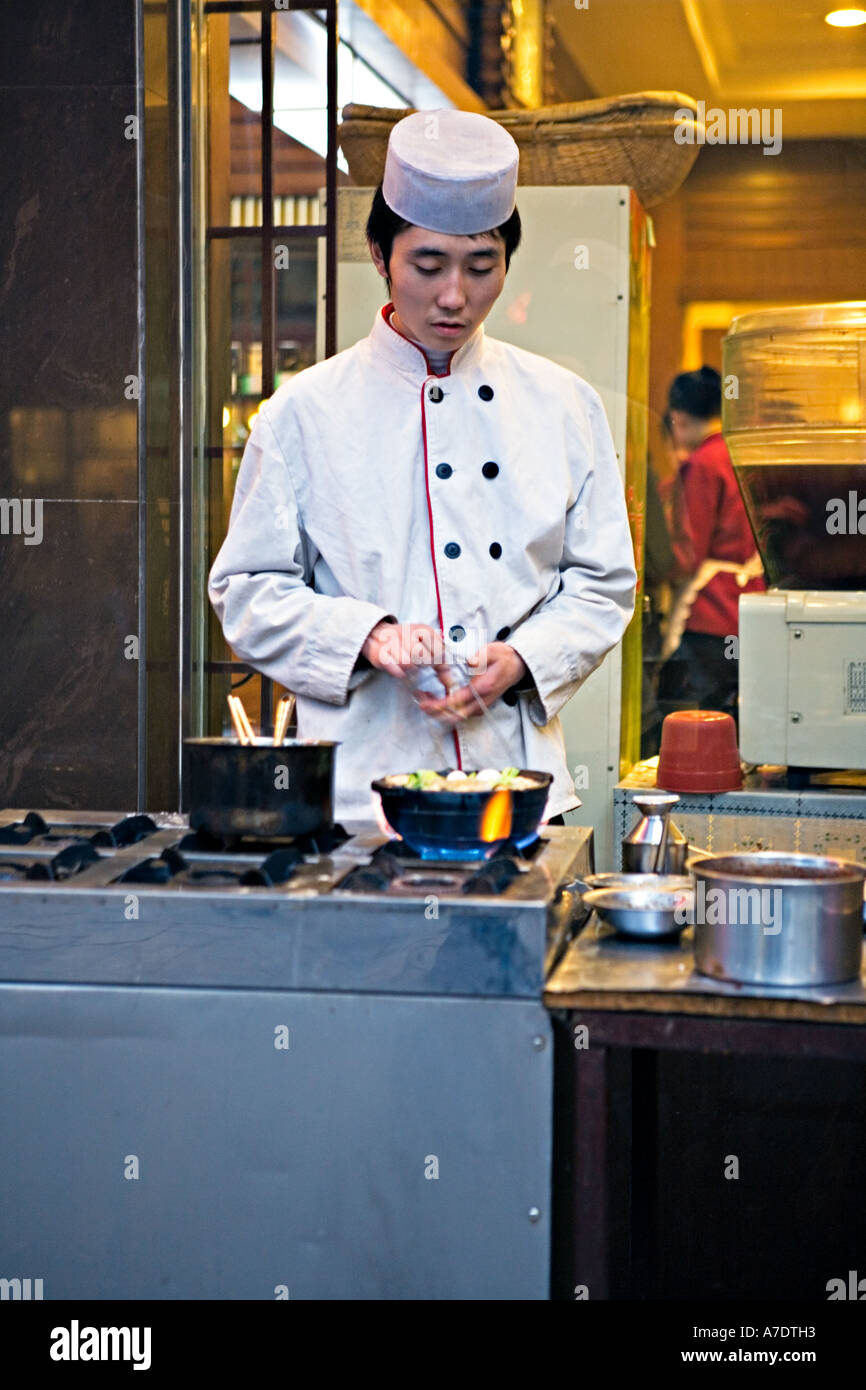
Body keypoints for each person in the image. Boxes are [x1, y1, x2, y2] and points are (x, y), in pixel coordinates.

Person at [208, 108, 637, 823]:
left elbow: (602, 583)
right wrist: (369, 637)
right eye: (428, 265)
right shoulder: (304, 413)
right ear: (380, 256)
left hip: (522, 789)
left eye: (481, 267)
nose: (453, 296)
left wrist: (525, 658)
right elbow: (247, 593)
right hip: (363, 795)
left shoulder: (564, 404)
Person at [658, 366, 765, 720]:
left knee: (689, 712)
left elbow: (688, 554)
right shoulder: (744, 453)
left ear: (678, 419)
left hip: (710, 612)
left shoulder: (704, 463)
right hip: (750, 605)